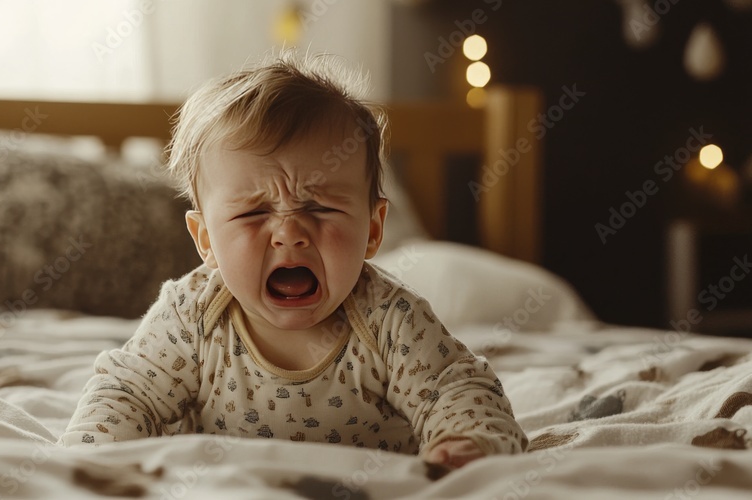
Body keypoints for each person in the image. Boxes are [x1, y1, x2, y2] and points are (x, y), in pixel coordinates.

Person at [60, 52, 527, 470]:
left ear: (373, 229)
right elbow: (127, 394)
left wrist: (466, 442)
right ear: (205, 239)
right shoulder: (191, 318)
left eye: (320, 207)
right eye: (254, 212)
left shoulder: (391, 322)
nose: (290, 233)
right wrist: (92, 461)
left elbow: (457, 389)